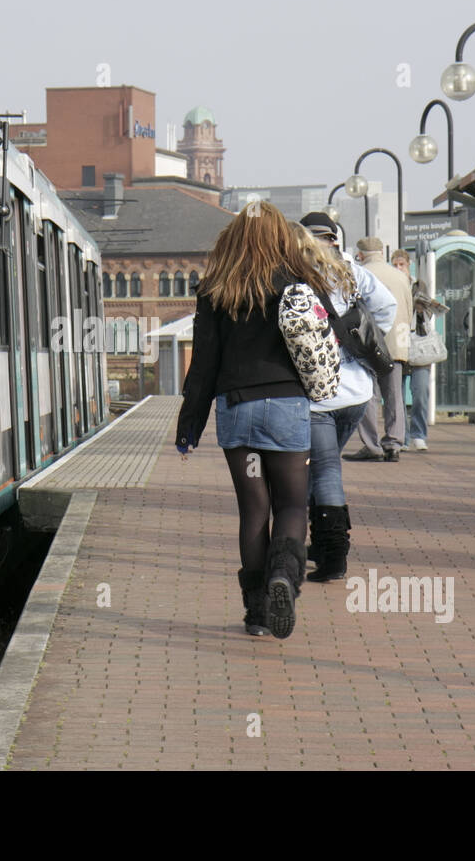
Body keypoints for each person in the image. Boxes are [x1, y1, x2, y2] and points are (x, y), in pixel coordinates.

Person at [176, 202, 331, 639]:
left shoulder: (215, 289)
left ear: (232, 239)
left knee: (253, 510)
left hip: (236, 410)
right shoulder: (297, 281)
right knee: (291, 505)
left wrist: (189, 428)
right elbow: (324, 336)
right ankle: (284, 577)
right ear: (280, 236)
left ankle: (257, 612)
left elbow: (203, 363)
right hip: (286, 407)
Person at [297, 214, 396, 582]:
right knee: (323, 466)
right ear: (335, 240)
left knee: (323, 469)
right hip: (357, 391)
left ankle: (334, 555)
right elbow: (385, 307)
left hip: (319, 396)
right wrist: (361, 343)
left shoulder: (296, 275)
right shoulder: (352, 272)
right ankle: (322, 543)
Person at [345, 236, 413, 462]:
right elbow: (409, 309)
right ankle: (394, 443)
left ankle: (372, 445)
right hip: (397, 343)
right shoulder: (400, 276)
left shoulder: (359, 273)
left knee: (369, 394)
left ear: (361, 254)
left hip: (370, 343)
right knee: (394, 395)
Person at [392, 249, 446, 452]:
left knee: (421, 391)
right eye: (395, 265)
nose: (399, 269)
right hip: (398, 340)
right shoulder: (391, 284)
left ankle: (419, 434)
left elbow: (429, 314)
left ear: (408, 265)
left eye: (401, 265)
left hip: (419, 341)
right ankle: (402, 437)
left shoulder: (418, 285)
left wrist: (424, 308)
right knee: (397, 393)